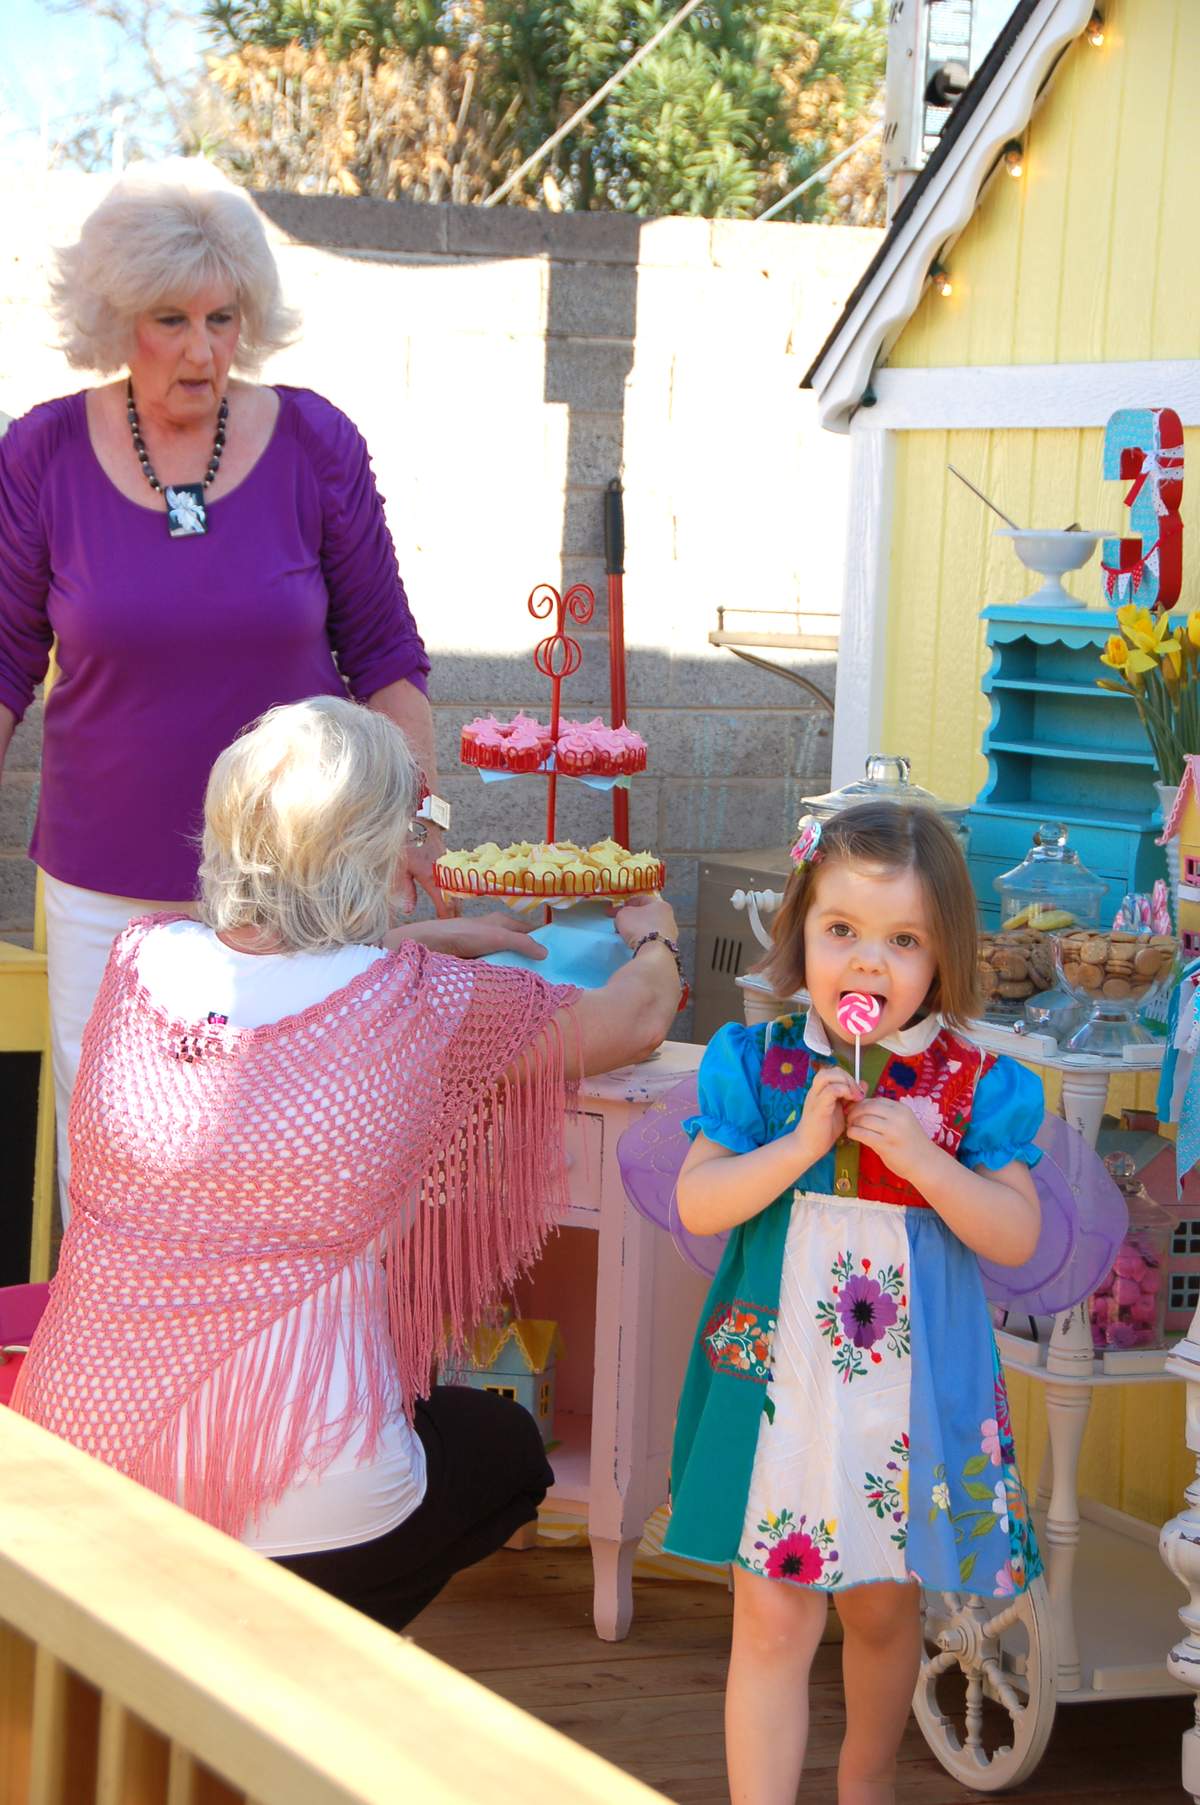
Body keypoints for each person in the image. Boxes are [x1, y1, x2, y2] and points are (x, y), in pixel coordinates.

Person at [13, 697, 685, 1632]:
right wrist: (658, 942)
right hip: (306, 1519)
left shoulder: (137, 960)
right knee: (504, 1450)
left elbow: (286, 969)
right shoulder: (416, 1003)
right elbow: (636, 1021)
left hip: (75, 1484)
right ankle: (312, 1671)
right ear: (373, 854)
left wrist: (442, 939)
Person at [0, 158, 451, 1218]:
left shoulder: (314, 444)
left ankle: (283, 1385)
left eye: (224, 317)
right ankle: (124, 1384)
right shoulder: (42, 456)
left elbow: (387, 656)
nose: (203, 350)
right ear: (115, 319)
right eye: (171, 319)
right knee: (112, 1169)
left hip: (299, 882)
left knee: (287, 1162)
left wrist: (423, 824)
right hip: (105, 883)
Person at [663, 801, 1044, 1805]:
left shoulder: (972, 1086)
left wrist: (922, 1157)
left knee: (882, 1612)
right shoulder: (755, 1066)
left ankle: (864, 1783)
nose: (867, 963)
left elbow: (1017, 1234)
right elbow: (699, 1202)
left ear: (943, 955)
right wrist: (792, 1146)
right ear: (800, 932)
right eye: (842, 931)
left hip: (902, 1401)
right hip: (782, 1387)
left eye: (902, 940)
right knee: (773, 1617)